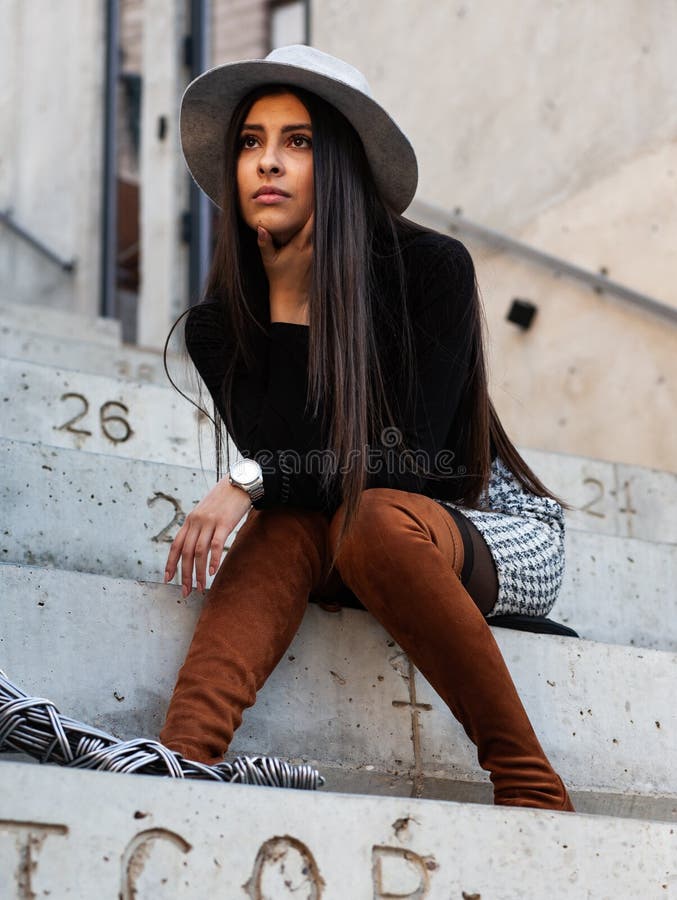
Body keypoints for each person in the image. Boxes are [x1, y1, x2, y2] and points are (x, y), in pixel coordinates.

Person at [158, 45, 575, 812]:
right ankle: (179, 760)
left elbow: (402, 466)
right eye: (250, 142)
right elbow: (291, 462)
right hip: (339, 525)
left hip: (481, 523)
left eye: (298, 142)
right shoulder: (221, 327)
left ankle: (530, 786)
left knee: (370, 516)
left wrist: (248, 479)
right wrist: (286, 306)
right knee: (290, 522)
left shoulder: (430, 271)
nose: (267, 163)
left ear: (343, 162)